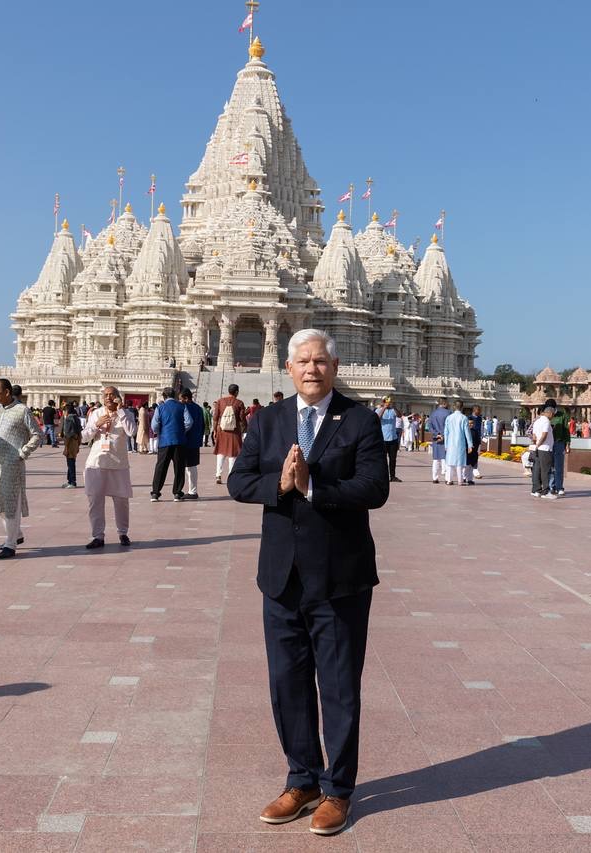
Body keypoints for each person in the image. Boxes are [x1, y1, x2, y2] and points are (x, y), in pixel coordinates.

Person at [227, 329, 389, 837]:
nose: (312, 369)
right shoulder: (269, 419)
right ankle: (302, 780)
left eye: (320, 361)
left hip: (339, 578)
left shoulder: (360, 419)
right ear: (289, 367)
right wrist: (278, 485)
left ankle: (338, 790)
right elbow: (238, 481)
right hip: (280, 578)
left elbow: (374, 488)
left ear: (334, 367)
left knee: (338, 687)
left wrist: (313, 486)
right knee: (287, 684)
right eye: (303, 361)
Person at [0, 377, 43, 559]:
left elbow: (38, 434)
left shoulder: (22, 410)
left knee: (11, 503)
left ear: (7, 392)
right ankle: (16, 534)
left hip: (12, 465)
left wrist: (23, 453)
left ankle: (10, 544)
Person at [82, 386, 135, 548]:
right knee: (95, 500)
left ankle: (123, 533)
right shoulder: (96, 413)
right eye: (106, 395)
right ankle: (98, 536)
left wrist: (121, 412)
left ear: (119, 397)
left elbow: (131, 432)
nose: (109, 398)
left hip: (118, 464)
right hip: (97, 462)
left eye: (112, 395)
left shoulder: (126, 414)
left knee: (121, 500)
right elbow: (84, 437)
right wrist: (96, 425)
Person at [149, 387, 192, 502]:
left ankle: (155, 493)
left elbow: (154, 425)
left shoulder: (160, 408)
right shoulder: (182, 406)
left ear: (164, 396)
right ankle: (177, 493)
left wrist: (161, 432)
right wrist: (181, 431)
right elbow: (189, 422)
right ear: (175, 395)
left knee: (161, 467)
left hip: (164, 441)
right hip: (179, 441)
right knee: (179, 467)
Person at [213, 384, 246, 483]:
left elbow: (215, 418)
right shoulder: (239, 403)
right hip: (234, 431)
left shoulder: (220, 401)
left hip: (222, 430)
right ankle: (230, 475)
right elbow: (242, 419)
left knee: (221, 452)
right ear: (236, 392)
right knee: (233, 454)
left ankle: (218, 474)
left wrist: (214, 430)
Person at [179, 388, 205, 500]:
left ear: (186, 398)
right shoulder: (198, 408)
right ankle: (192, 490)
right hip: (195, 441)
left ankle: (192, 491)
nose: (179, 401)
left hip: (186, 440)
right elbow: (202, 425)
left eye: (180, 398)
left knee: (188, 467)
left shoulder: (184, 407)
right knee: (191, 466)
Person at [442, 400, 473, 485]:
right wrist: (470, 445)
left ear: (454, 407)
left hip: (450, 443)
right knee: (460, 463)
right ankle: (460, 481)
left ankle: (449, 480)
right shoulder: (464, 418)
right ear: (462, 407)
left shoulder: (449, 417)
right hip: (460, 443)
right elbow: (467, 432)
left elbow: (446, 432)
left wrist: (446, 444)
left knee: (449, 462)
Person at [530, 403, 556, 499]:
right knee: (546, 470)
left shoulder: (537, 421)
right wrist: (539, 444)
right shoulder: (546, 422)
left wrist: (536, 445)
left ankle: (536, 490)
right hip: (545, 449)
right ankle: (545, 491)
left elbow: (534, 436)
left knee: (537, 470)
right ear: (549, 413)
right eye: (552, 414)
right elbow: (544, 435)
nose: (553, 416)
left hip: (539, 449)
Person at [376, 397, 401, 482]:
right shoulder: (379, 410)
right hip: (383, 439)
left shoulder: (393, 410)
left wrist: (394, 406)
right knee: (382, 459)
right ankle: (382, 476)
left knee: (393, 459)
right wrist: (384, 408)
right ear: (382, 402)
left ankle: (393, 476)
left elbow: (399, 415)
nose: (388, 403)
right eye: (385, 401)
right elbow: (377, 418)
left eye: (389, 402)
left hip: (393, 438)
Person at [427, 398, 450, 483]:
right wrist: (443, 435)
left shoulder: (433, 413)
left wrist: (437, 434)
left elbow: (430, 427)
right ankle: (447, 478)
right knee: (446, 458)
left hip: (436, 438)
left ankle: (435, 478)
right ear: (444, 403)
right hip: (446, 439)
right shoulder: (448, 413)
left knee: (436, 459)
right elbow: (449, 427)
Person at [61, 402, 82, 488]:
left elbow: (68, 434)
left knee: (70, 462)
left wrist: (66, 446)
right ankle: (69, 480)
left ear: (67, 411)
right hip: (76, 441)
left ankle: (72, 482)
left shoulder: (69, 419)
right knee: (71, 461)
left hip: (70, 442)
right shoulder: (76, 418)